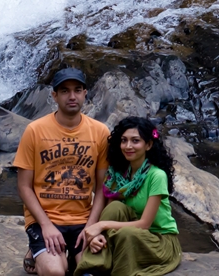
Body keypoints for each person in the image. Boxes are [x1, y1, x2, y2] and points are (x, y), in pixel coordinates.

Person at [14, 68, 110, 276]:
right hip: (44, 218)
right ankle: (39, 250)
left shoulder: (100, 132)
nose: (72, 96)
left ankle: (60, 254)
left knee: (92, 271)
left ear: (85, 93)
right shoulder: (35, 130)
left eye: (77, 90)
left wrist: (92, 226)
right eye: (65, 91)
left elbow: (103, 188)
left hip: (82, 218)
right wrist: (46, 225)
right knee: (56, 271)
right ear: (54, 96)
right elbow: (23, 186)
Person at [74, 116, 182, 276]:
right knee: (115, 207)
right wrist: (97, 236)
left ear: (148, 145)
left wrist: (101, 226)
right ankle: (91, 269)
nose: (128, 146)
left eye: (135, 141)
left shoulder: (157, 176)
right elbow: (112, 211)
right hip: (129, 234)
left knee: (126, 234)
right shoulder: (119, 175)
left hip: (159, 241)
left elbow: (145, 224)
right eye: (124, 140)